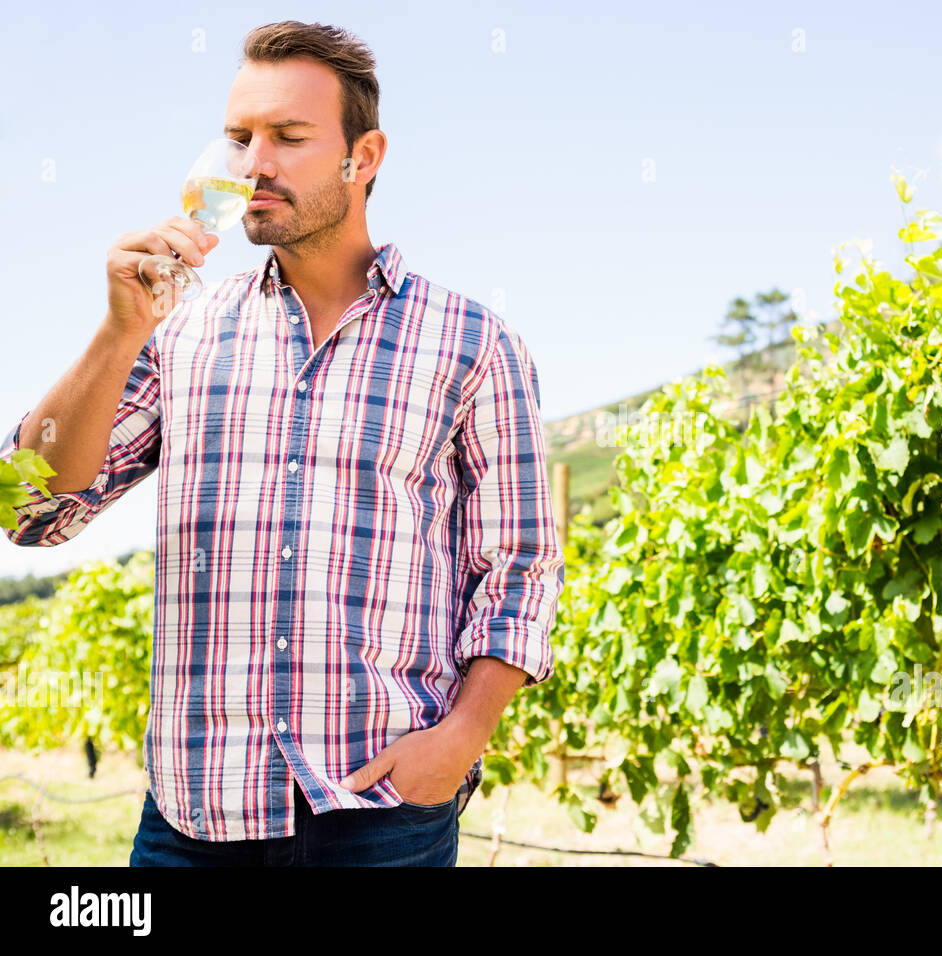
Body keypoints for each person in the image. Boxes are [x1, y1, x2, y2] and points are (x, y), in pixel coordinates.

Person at [0, 20, 564, 866]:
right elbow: (33, 507)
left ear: (362, 157)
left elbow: (519, 565)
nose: (253, 163)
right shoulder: (179, 330)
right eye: (238, 138)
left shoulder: (472, 344)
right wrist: (117, 335)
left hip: (379, 810)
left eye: (288, 137)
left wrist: (457, 744)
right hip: (193, 816)